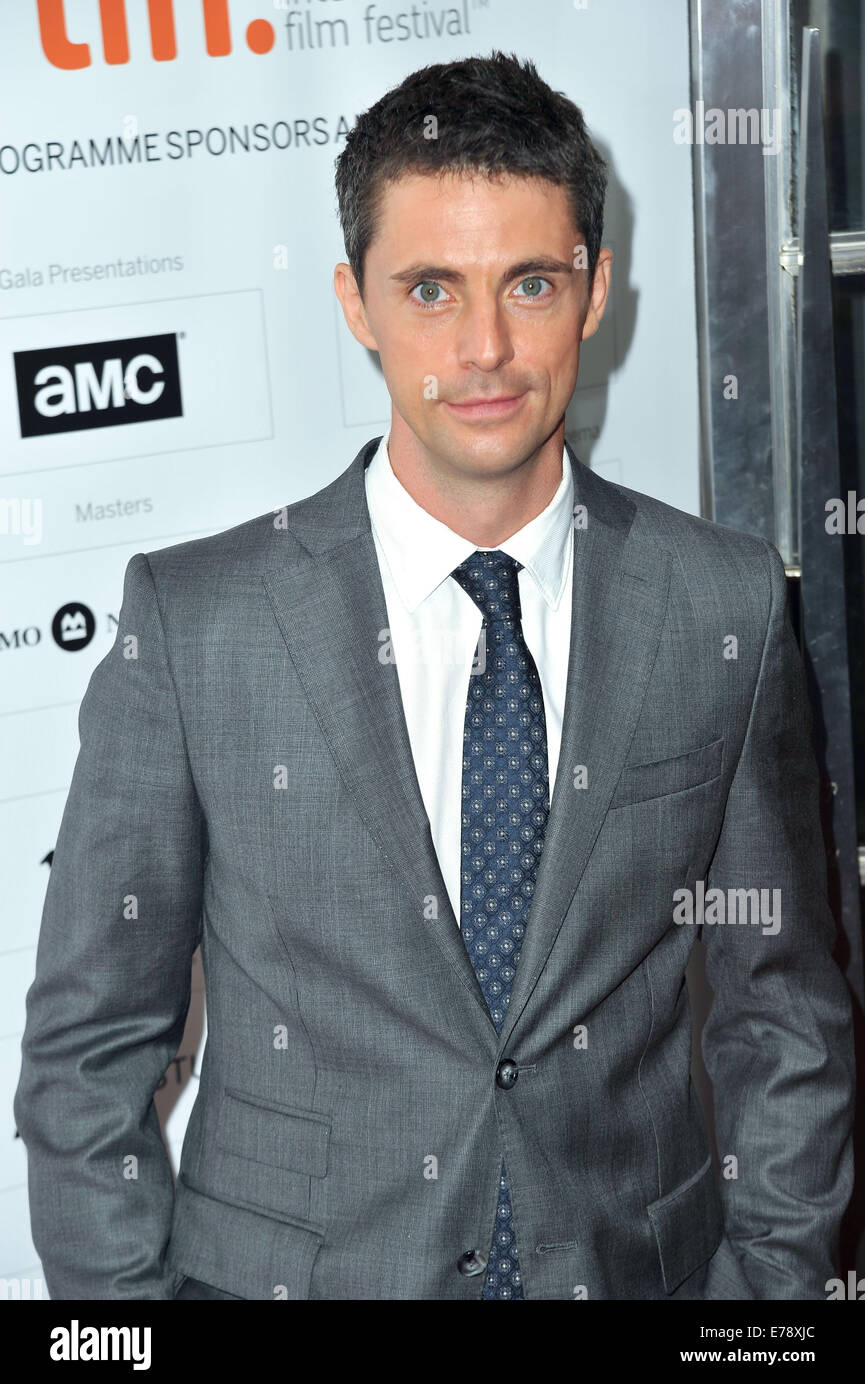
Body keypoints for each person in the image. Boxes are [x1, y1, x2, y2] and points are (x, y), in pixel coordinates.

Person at [15, 50, 855, 1301]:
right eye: (429, 289)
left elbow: (783, 1016)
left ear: (594, 290)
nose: (484, 349)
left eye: (530, 283)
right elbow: (88, 1052)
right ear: (356, 302)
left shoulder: (718, 603)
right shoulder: (197, 624)